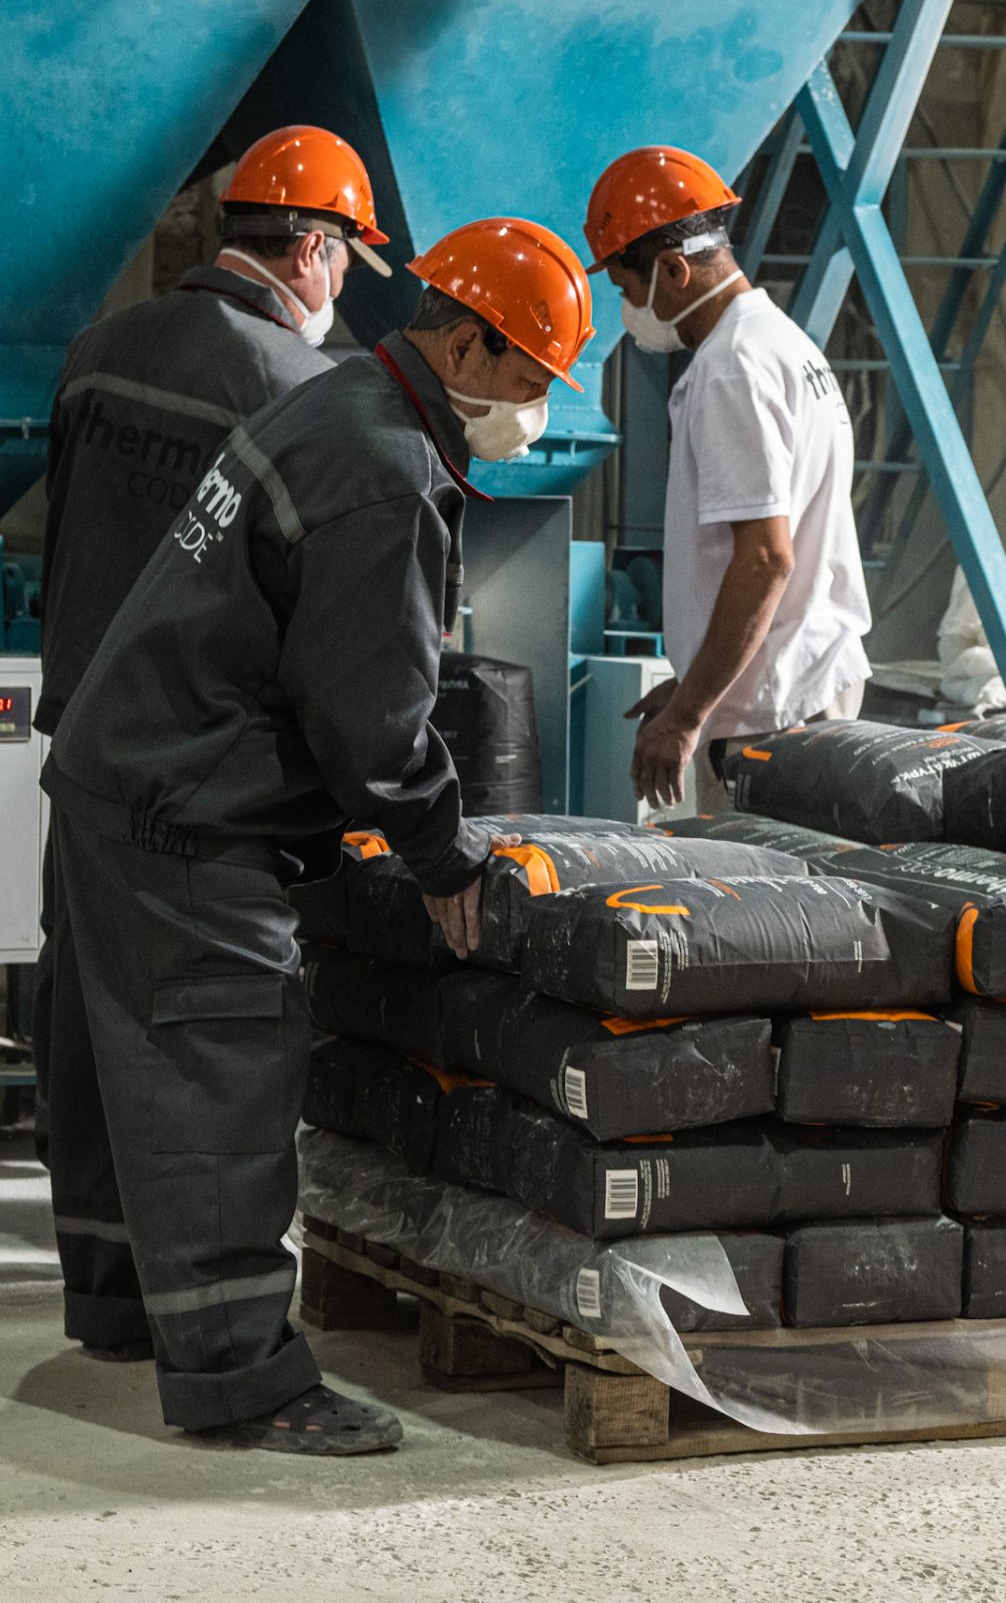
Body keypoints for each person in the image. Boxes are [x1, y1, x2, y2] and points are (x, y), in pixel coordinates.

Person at [39, 217, 593, 1454]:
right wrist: (443, 852)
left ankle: (122, 1310)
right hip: (188, 801)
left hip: (121, 773)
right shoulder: (383, 462)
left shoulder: (340, 397)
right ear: (465, 343)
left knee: (119, 1062)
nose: (536, 408)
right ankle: (245, 1382)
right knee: (222, 1067)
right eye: (530, 377)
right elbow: (372, 713)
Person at [32, 125, 391, 1184]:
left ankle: (99, 1265)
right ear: (311, 249)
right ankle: (194, 1282)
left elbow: (64, 536)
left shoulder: (100, 348)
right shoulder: (299, 388)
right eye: (344, 260)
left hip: (81, 749)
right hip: (196, 780)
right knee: (192, 1055)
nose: (340, 285)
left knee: (85, 1022)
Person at [583, 144, 871, 814]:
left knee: (770, 880)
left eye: (626, 289)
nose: (627, 309)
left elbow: (767, 558)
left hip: (772, 715)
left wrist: (688, 716)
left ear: (672, 269)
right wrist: (691, 688)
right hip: (799, 686)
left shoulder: (731, 368)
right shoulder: (783, 343)